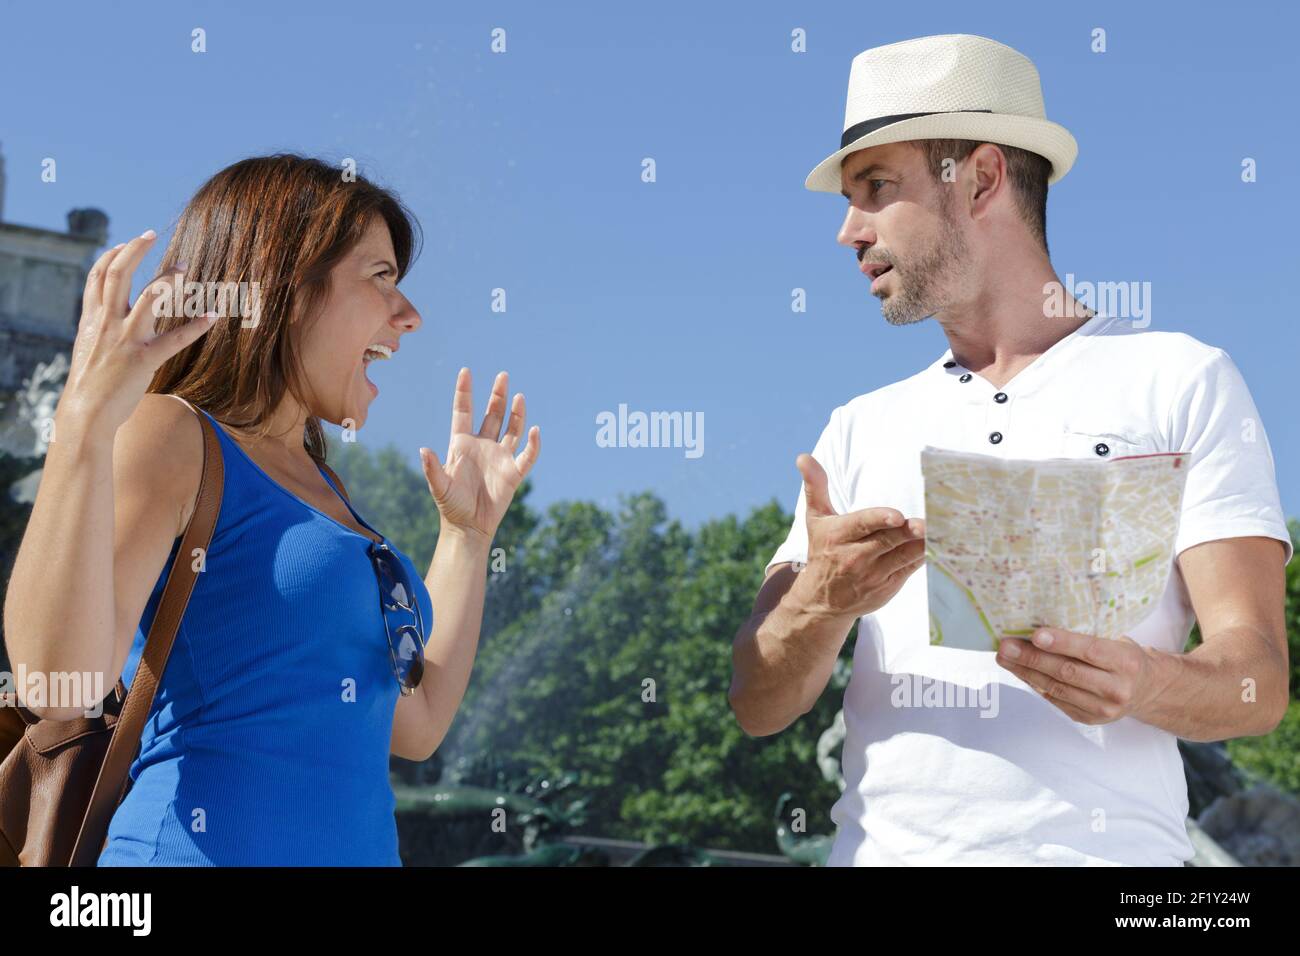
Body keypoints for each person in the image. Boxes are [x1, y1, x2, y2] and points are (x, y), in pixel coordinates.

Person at [729, 35, 1291, 865]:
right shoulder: (856, 427)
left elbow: (1259, 681)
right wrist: (820, 602)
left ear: (982, 178)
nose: (848, 231)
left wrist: (1146, 682)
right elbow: (756, 702)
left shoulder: (1181, 380)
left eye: (876, 188)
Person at [3, 154, 540, 865]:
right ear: (285, 285)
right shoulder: (173, 434)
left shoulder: (331, 494)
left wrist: (467, 536)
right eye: (381, 277)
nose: (409, 316)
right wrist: (83, 423)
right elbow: (56, 686)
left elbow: (416, 725)